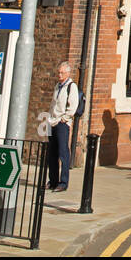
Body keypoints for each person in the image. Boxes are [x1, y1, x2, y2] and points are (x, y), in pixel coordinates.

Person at [45, 61, 79, 192]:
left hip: (62, 124)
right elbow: (53, 104)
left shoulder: (71, 87)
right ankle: (53, 181)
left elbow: (73, 106)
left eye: (62, 73)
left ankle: (63, 182)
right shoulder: (57, 86)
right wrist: (49, 118)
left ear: (68, 73)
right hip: (53, 121)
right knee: (52, 153)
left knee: (63, 153)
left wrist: (65, 119)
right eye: (58, 72)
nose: (59, 75)